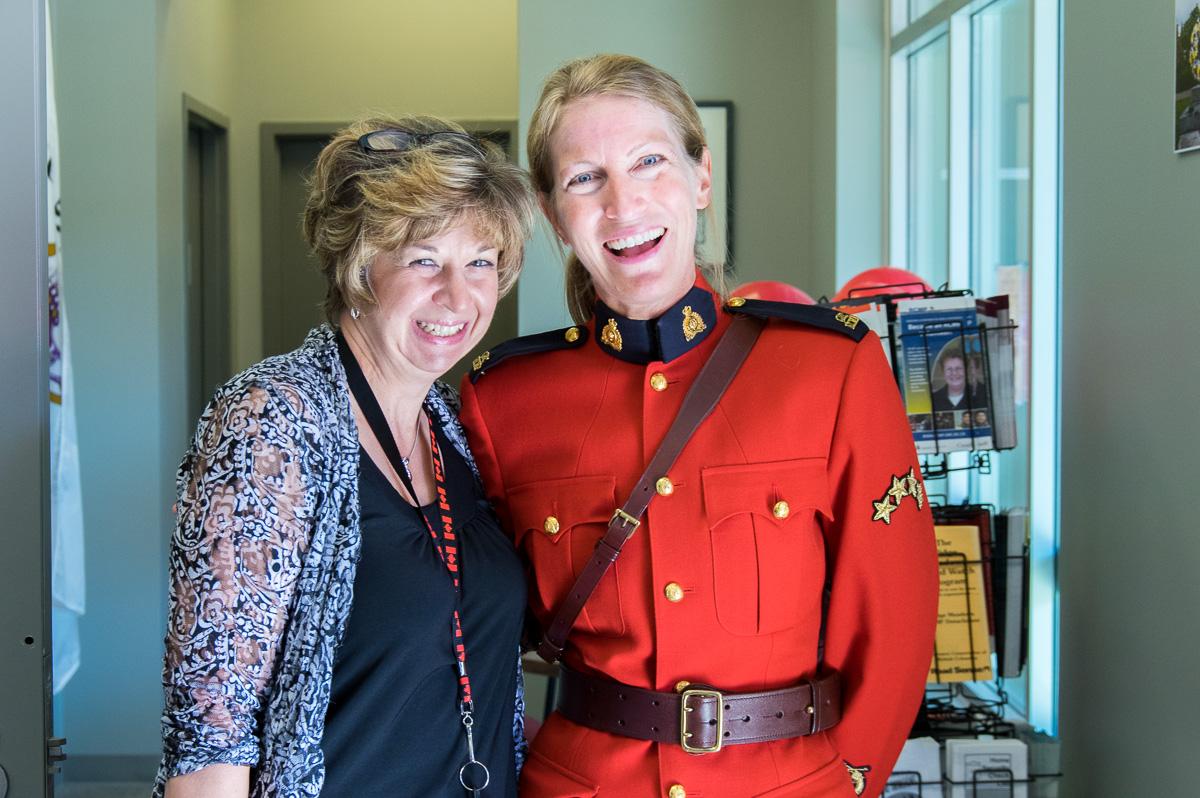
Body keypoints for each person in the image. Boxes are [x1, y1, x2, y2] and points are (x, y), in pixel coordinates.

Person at [459, 55, 938, 798]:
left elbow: (896, 625)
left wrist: (845, 786)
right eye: (586, 178)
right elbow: (471, 632)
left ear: (701, 177)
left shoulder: (832, 369)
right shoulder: (504, 403)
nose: (623, 203)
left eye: (649, 161)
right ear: (556, 216)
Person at [155, 115, 536, 798]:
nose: (459, 296)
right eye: (425, 260)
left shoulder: (451, 424)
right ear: (359, 264)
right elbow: (210, 730)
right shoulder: (273, 419)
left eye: (480, 262)